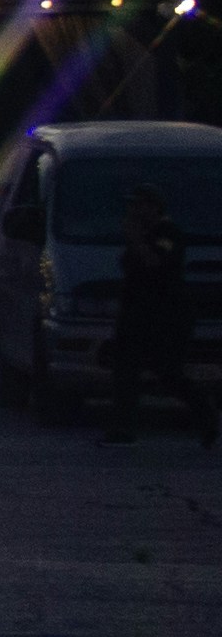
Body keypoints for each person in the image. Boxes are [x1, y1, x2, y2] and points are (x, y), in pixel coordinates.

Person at [97, 186, 211, 446]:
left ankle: (206, 416)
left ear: (153, 207)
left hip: (164, 317)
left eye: (139, 205)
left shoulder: (168, 234)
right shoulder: (145, 234)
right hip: (136, 316)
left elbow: (155, 262)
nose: (133, 211)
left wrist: (136, 240)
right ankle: (122, 429)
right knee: (125, 371)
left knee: (168, 373)